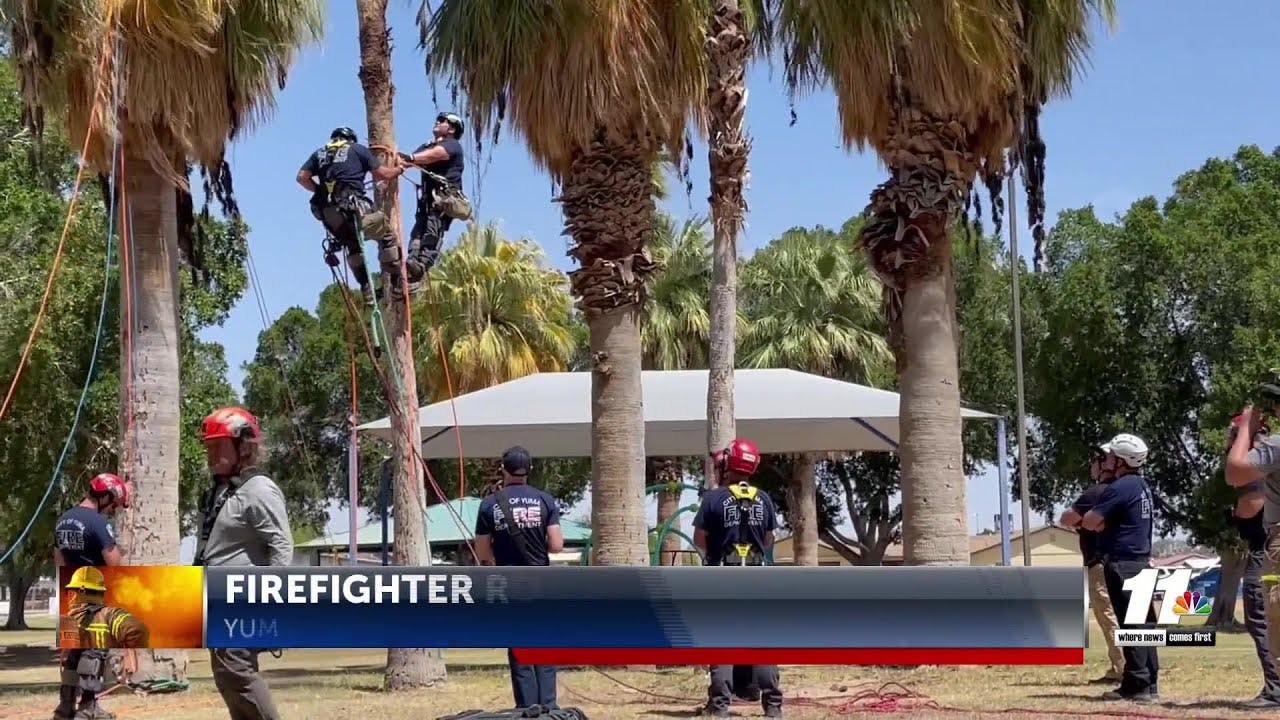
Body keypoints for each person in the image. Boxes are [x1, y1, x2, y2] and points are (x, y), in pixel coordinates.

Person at [194, 406, 293, 720]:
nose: (211, 454)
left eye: (217, 446)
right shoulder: (221, 492)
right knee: (226, 676)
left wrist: (272, 600)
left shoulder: (259, 490)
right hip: (217, 599)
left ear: (243, 446)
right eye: (208, 447)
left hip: (244, 600)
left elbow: (280, 545)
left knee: (237, 672)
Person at [693, 439, 783, 719]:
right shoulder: (764, 498)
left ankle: (720, 706)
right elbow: (768, 540)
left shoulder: (714, 499)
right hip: (756, 577)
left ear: (729, 464)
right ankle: (773, 706)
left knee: (721, 640)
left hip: (721, 577)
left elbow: (699, 540)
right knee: (761, 640)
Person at [474, 446, 564, 711]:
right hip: (541, 582)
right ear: (529, 471)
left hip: (509, 583)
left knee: (520, 650)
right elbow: (557, 545)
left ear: (504, 469)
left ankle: (526, 709)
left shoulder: (490, 504)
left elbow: (482, 552)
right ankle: (549, 708)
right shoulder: (545, 500)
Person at [1080, 433, 1157, 703]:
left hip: (1123, 563)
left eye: (1111, 455)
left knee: (1131, 624)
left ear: (1121, 460)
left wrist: (1100, 523)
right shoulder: (1142, 485)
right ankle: (1147, 681)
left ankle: (1138, 684)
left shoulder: (1120, 487)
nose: (1106, 459)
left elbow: (1090, 521)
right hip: (1141, 560)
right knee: (1144, 625)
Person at [297, 126, 407, 304]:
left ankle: (367, 291)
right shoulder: (357, 149)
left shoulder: (319, 153)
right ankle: (396, 282)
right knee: (387, 236)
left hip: (330, 214)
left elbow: (302, 177)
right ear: (350, 139)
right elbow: (383, 174)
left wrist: (319, 191)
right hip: (354, 207)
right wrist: (400, 169)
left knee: (352, 245)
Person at [1226, 373, 1280, 679]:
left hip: (1269, 549)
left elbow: (1235, 472)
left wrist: (1246, 428)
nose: (1274, 409)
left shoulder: (1271, 452)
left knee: (1266, 618)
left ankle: (1275, 689)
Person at [1059, 446, 1125, 685]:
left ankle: (1122, 667)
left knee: (1108, 615)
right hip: (1123, 561)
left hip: (1099, 563)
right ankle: (1126, 665)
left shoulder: (1096, 493)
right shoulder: (1126, 491)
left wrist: (1080, 524)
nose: (1091, 466)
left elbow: (1066, 518)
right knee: (1125, 614)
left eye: (1095, 460)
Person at [51, 567, 149, 719]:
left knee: (81, 660)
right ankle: (85, 709)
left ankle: (67, 708)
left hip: (81, 667)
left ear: (83, 591)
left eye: (74, 591)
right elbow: (139, 630)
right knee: (90, 657)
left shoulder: (72, 617)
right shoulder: (108, 615)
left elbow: (64, 656)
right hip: (90, 662)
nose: (71, 596)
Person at [401, 111, 467, 292]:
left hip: (443, 200)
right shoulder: (428, 146)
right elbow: (409, 161)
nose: (437, 122)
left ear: (452, 129)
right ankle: (411, 266)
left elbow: (435, 155)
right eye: (438, 119)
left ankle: (420, 269)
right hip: (427, 201)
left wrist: (411, 158)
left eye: (442, 121)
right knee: (416, 235)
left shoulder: (452, 145)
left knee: (432, 232)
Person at [54, 473, 129, 570]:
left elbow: (59, 563)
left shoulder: (62, 520)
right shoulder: (99, 523)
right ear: (105, 497)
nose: (112, 511)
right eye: (113, 505)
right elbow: (115, 565)